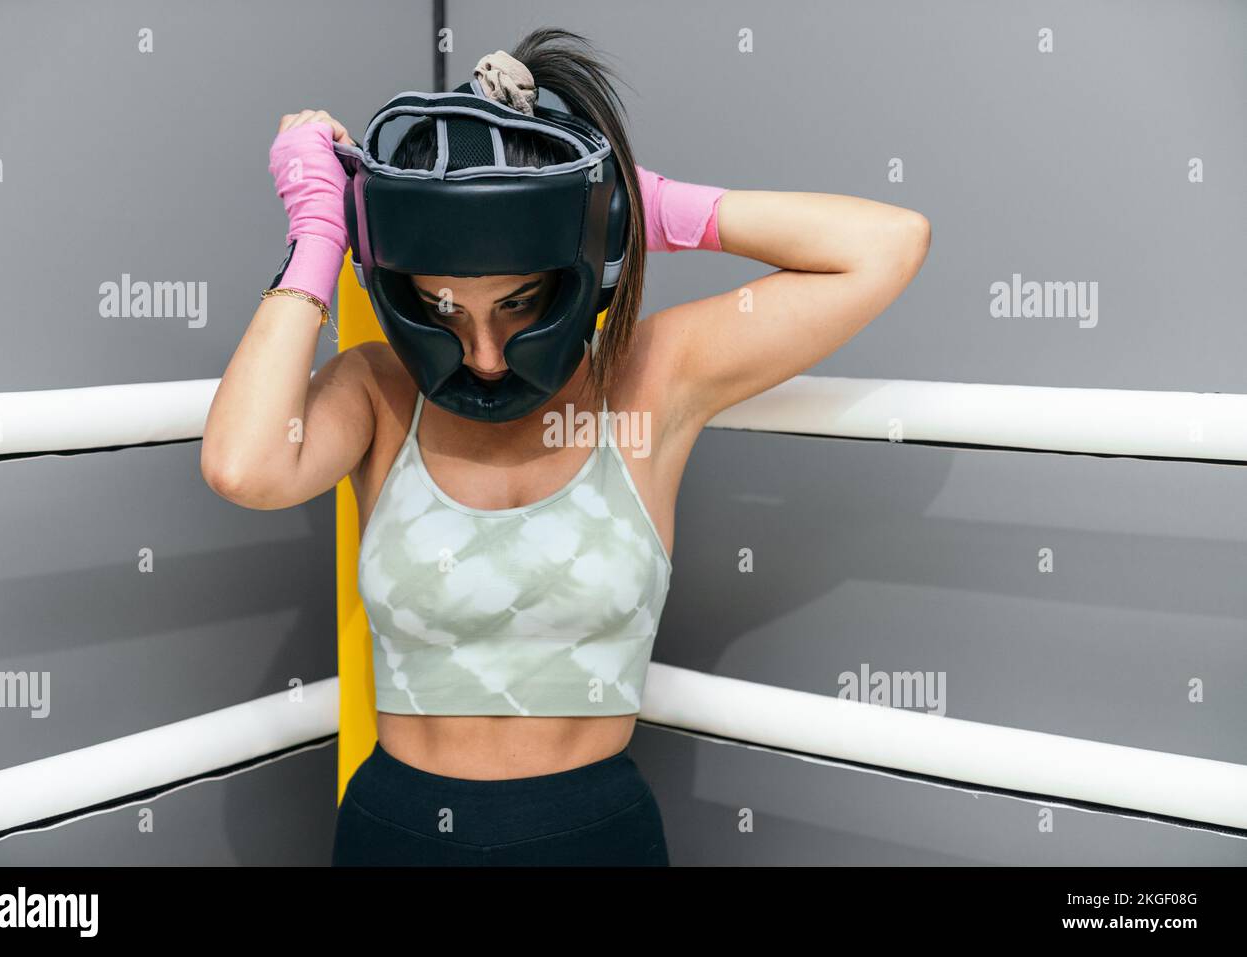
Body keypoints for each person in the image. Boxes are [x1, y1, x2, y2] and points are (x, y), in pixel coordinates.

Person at [201, 28, 930, 866]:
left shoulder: (651, 378)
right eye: (445, 309)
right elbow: (241, 463)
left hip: (594, 835)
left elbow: (886, 246)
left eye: (516, 304)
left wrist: (636, 208)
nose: (482, 354)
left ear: (579, 267)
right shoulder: (380, 389)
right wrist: (321, 233)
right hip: (398, 831)